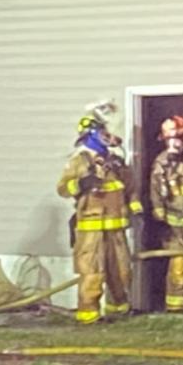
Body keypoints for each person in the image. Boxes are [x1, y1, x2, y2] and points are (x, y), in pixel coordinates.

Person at [57, 105, 133, 325]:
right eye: (102, 132)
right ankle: (88, 313)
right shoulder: (79, 161)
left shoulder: (114, 161)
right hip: (90, 228)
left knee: (120, 270)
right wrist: (81, 183)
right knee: (91, 271)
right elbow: (62, 189)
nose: (107, 136)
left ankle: (118, 309)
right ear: (90, 134)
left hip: (115, 226)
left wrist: (134, 206)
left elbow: (129, 186)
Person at [138, 115, 183, 314]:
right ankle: (176, 308)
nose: (174, 143)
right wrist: (159, 213)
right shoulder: (161, 162)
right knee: (179, 265)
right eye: (169, 138)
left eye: (178, 137)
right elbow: (155, 189)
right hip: (174, 225)